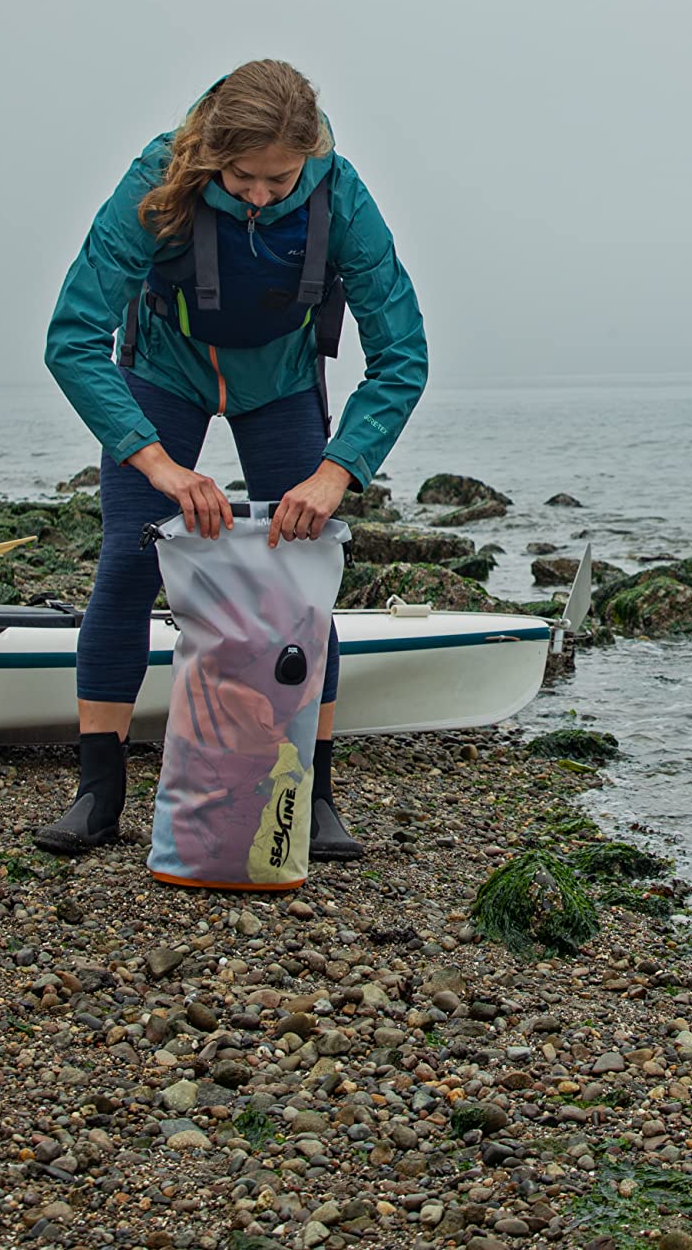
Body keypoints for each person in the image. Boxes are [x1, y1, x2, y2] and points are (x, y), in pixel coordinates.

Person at [36, 58, 426, 858]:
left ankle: (313, 796)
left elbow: (403, 355)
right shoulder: (159, 178)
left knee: (300, 576)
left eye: (278, 179)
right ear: (212, 154)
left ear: (309, 153)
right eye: (243, 176)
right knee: (129, 560)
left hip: (279, 380)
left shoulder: (338, 193)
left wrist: (336, 470)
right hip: (162, 371)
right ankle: (97, 791)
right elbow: (72, 337)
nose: (258, 194)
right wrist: (158, 464)